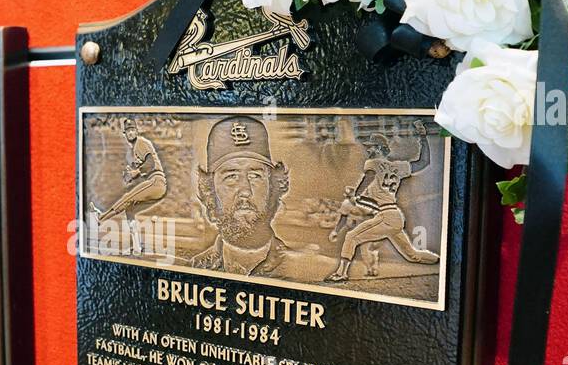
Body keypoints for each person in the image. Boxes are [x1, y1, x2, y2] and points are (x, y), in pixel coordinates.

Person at [189, 116, 309, 278]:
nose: (245, 190)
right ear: (210, 190)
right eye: (231, 176)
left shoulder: (302, 269)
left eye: (255, 176)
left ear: (273, 186)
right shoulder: (196, 267)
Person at [328, 123, 440, 283]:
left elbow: (363, 186)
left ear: (381, 148)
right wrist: (423, 137)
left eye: (372, 147)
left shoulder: (372, 163)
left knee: (351, 236)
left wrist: (357, 196)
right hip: (394, 215)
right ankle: (440, 261)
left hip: (387, 216)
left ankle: (341, 273)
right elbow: (424, 162)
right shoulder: (398, 166)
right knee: (412, 255)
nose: (369, 149)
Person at [91, 118, 168, 251]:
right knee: (130, 209)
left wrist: (135, 173)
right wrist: (131, 175)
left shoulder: (141, 142)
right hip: (153, 184)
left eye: (133, 130)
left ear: (137, 131)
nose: (131, 133)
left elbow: (150, 164)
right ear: (124, 134)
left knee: (127, 197)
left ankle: (101, 218)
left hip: (156, 181)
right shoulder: (134, 150)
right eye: (128, 131)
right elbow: (140, 173)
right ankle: (137, 246)